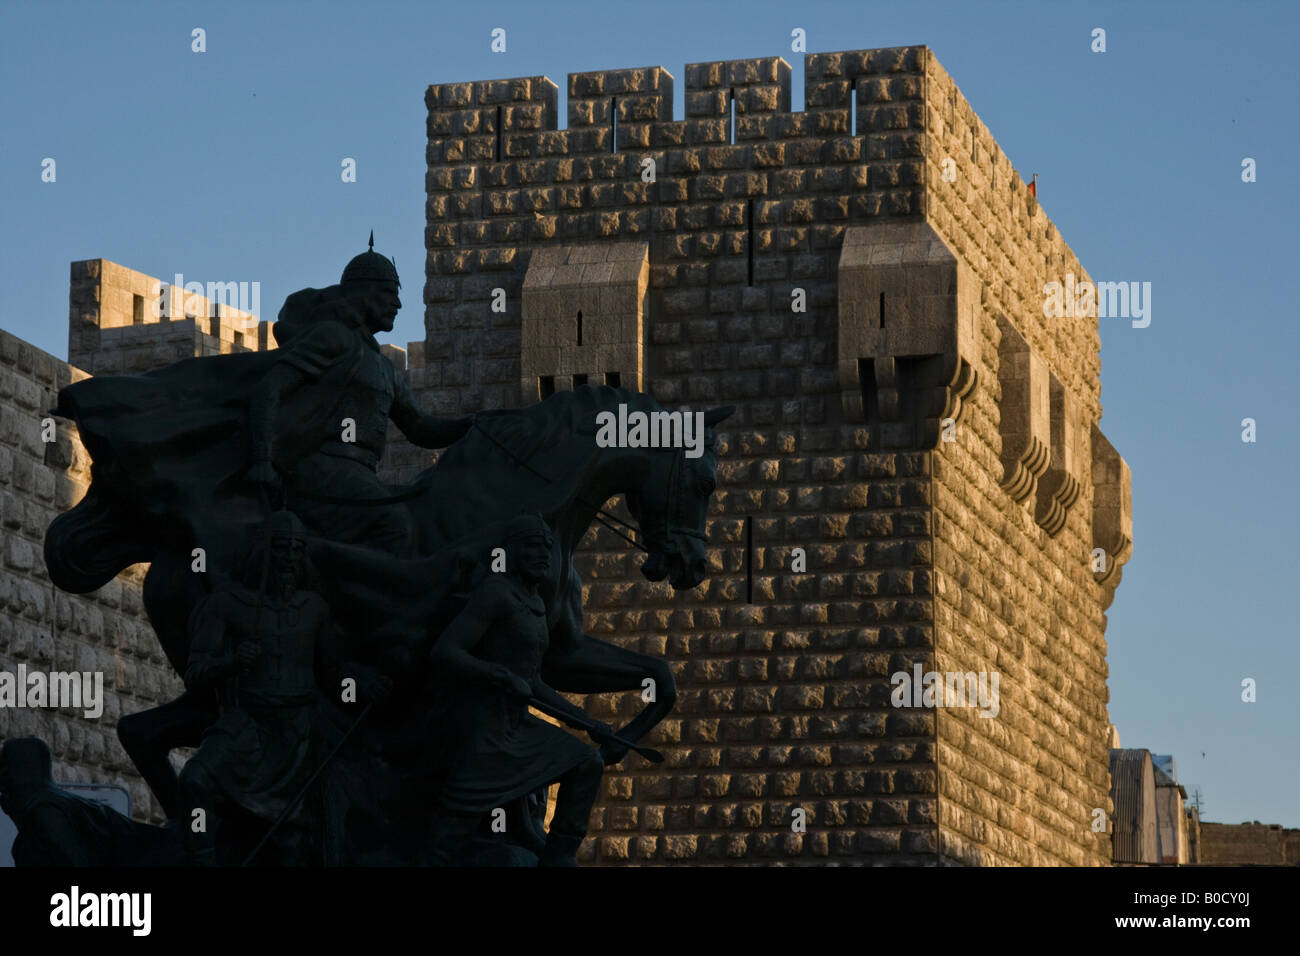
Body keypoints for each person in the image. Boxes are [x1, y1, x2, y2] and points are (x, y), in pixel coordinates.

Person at [177, 510, 388, 865]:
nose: (289, 558)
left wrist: (363, 687)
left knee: (292, 842)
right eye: (282, 549)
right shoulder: (227, 606)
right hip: (247, 726)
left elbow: (333, 675)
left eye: (296, 550)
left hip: (297, 735)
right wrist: (230, 663)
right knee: (195, 782)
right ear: (262, 553)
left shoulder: (313, 610)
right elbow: (195, 673)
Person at [246, 234, 472, 555]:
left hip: (360, 476)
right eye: (389, 294)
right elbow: (270, 389)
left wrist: (477, 424)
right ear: (364, 294)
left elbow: (421, 427)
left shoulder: (384, 367)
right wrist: (262, 460)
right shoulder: (332, 338)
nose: (398, 304)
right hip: (321, 471)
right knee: (394, 525)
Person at [428, 515, 610, 866]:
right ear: (511, 552)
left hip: (518, 727)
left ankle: (557, 858)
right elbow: (446, 651)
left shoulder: (537, 605)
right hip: (485, 732)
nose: (542, 555)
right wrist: (496, 675)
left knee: (587, 762)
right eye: (532, 547)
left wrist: (585, 721)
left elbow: (533, 682)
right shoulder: (495, 593)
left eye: (546, 548)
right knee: (445, 841)